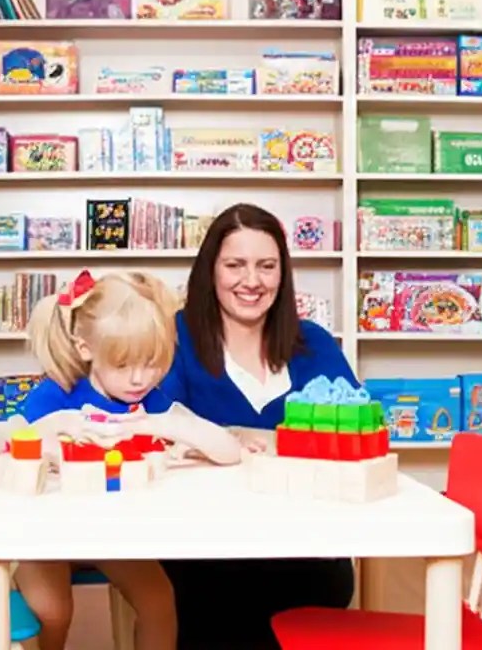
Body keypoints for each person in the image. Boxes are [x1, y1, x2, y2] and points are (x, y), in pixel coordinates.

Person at [158, 202, 358, 649]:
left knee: (320, 588)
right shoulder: (175, 338)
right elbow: (160, 432)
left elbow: (353, 433)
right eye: (236, 265)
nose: (252, 281)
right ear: (210, 270)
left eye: (267, 266)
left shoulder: (315, 345)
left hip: (306, 547)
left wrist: (236, 438)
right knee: (219, 601)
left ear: (282, 275)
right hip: (207, 549)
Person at [16, 269, 180, 650]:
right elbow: (15, 449)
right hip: (47, 532)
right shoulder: (54, 395)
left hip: (109, 532)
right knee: (52, 611)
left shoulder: (149, 399)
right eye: (124, 365)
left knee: (159, 601)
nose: (140, 379)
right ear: (86, 349)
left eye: (152, 363)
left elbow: (184, 434)